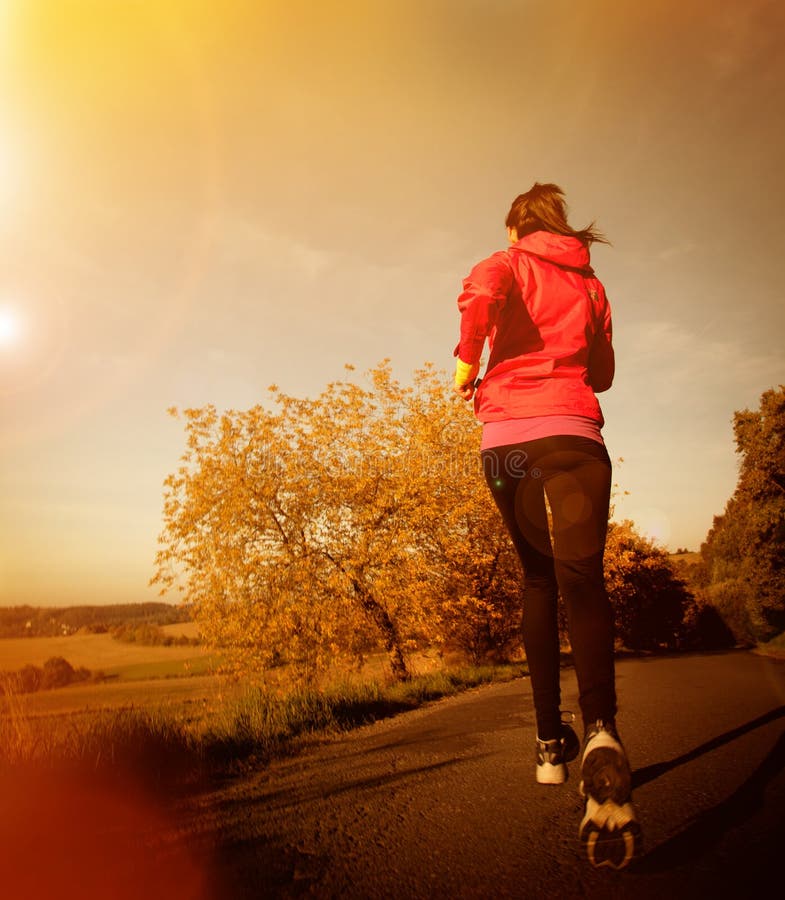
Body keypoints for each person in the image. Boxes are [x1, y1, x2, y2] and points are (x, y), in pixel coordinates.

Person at [453, 183, 641, 869]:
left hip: (506, 443)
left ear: (514, 228)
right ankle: (598, 730)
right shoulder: (591, 288)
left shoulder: (504, 262)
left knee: (537, 582)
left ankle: (546, 746)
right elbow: (604, 372)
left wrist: (467, 360)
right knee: (581, 581)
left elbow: (478, 292)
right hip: (573, 435)